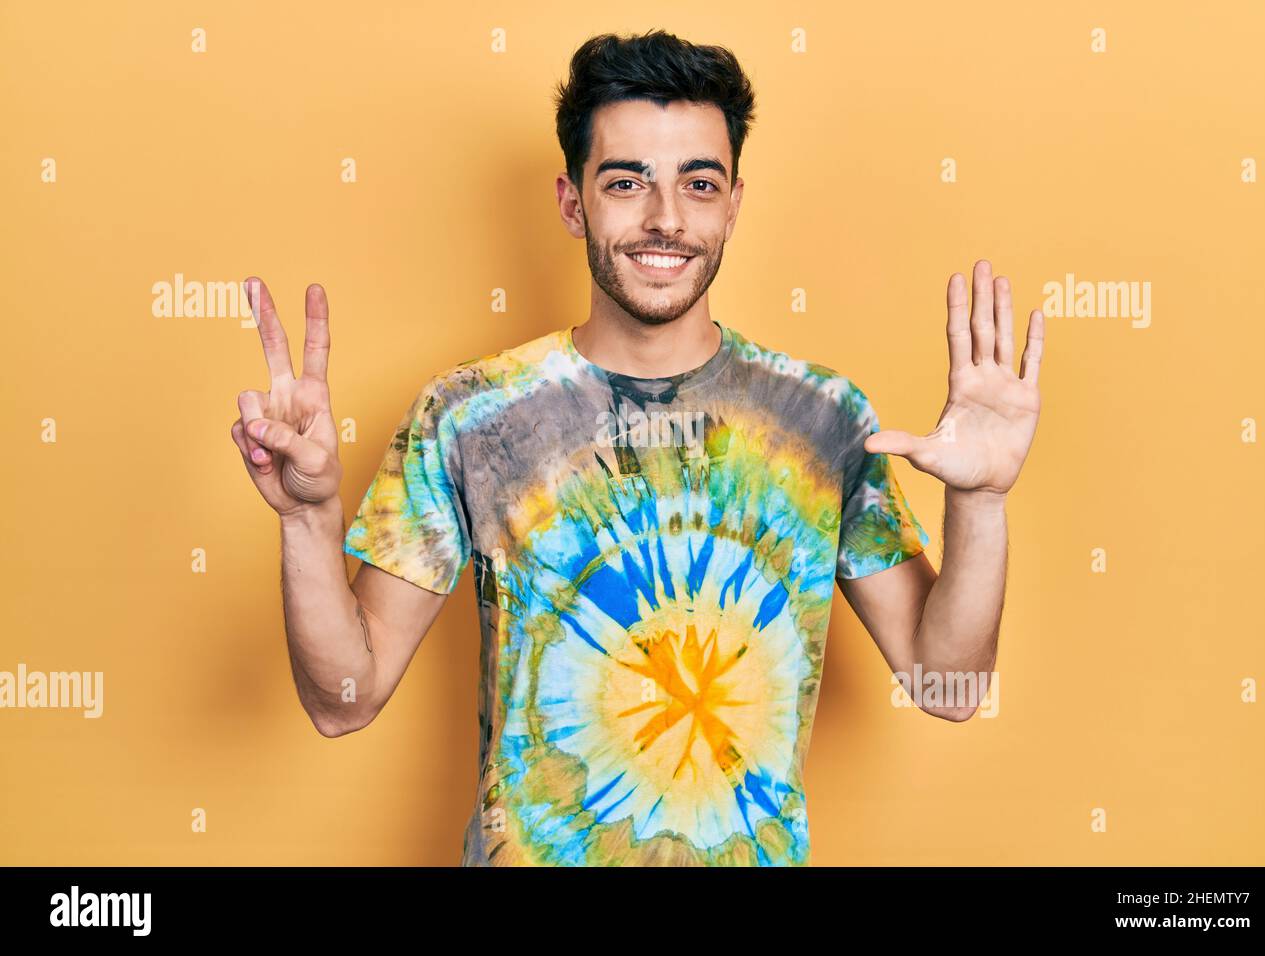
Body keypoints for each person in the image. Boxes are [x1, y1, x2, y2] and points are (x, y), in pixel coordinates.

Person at [229, 30, 1045, 866]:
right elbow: (342, 701)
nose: (666, 218)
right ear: (572, 201)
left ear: (733, 204)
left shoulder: (821, 417)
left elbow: (950, 685)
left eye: (699, 183)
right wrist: (306, 517)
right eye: (627, 182)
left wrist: (980, 502)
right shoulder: (471, 416)